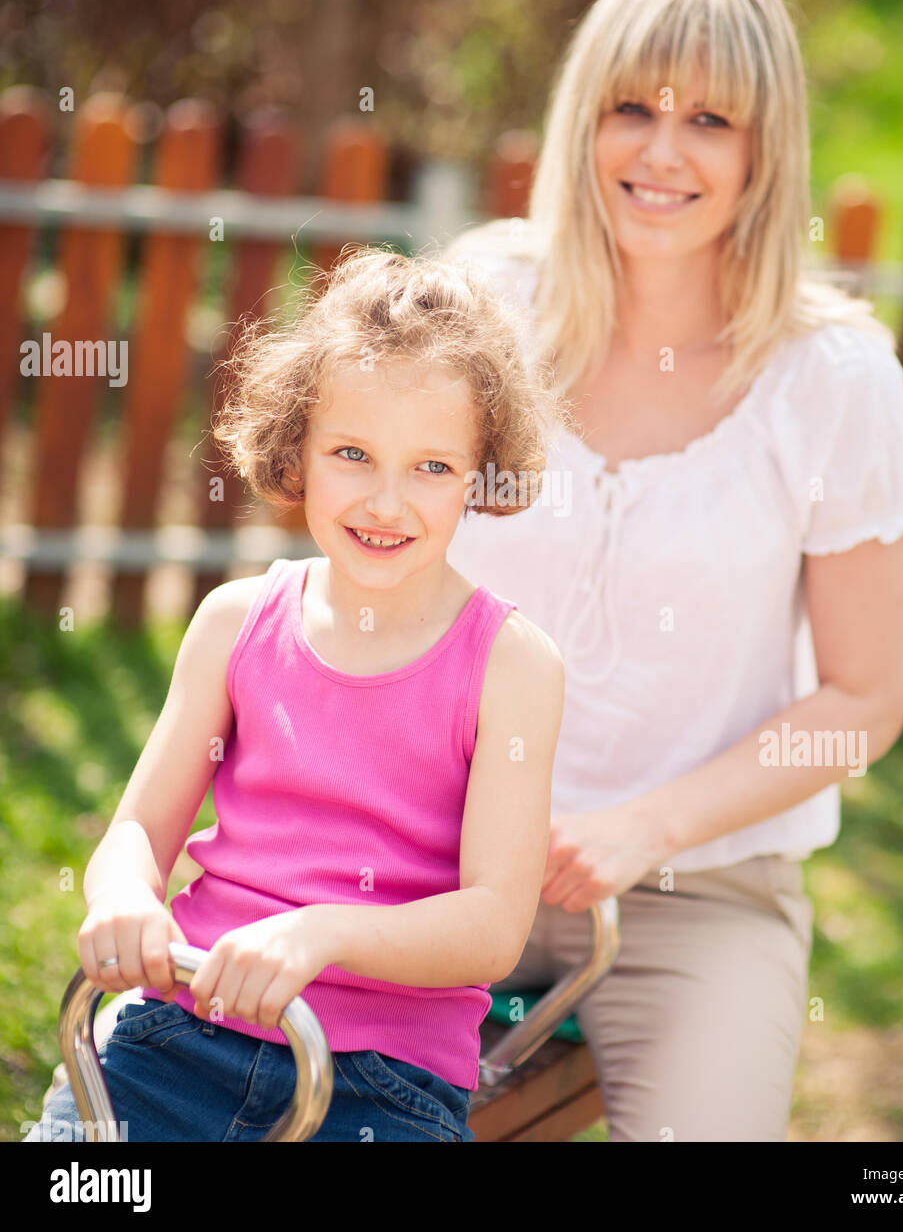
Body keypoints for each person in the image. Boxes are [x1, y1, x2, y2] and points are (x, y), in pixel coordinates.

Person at [438, 0, 903, 1142]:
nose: (662, 152)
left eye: (710, 118)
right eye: (632, 108)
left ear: (765, 151)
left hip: (695, 896)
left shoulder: (833, 378)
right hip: (432, 858)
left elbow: (863, 695)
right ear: (582, 117)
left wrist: (643, 826)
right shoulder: (479, 303)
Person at [25, 248, 565, 1143]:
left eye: (432, 467)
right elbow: (135, 832)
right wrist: (122, 895)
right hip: (178, 1038)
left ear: (481, 470)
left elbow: (493, 926)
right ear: (297, 451)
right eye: (353, 454)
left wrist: (323, 933)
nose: (387, 502)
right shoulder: (237, 620)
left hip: (380, 1088)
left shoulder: (512, 664)